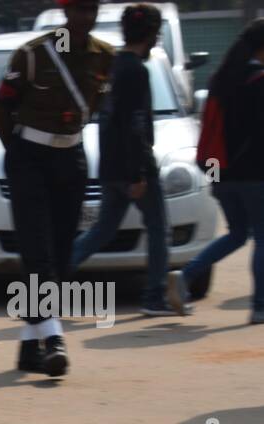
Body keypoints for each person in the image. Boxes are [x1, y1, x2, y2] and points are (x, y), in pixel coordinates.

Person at [0, 0, 113, 378]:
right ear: (66, 12)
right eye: (79, 9)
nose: (85, 16)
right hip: (30, 156)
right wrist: (17, 153)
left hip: (71, 157)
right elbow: (1, 107)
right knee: (37, 250)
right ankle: (54, 339)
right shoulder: (33, 55)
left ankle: (30, 345)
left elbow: (100, 103)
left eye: (91, 9)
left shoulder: (104, 57)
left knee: (60, 254)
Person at [70, 5, 177, 317]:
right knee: (158, 228)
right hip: (134, 167)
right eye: (156, 33)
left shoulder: (113, 65)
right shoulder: (136, 71)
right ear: (150, 34)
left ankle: (50, 277)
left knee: (103, 230)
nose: (156, 39)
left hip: (111, 166)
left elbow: (109, 120)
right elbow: (135, 124)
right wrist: (138, 174)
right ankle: (154, 297)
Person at [168, 18, 264, 324]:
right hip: (255, 175)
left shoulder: (221, 80)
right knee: (261, 238)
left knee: (237, 234)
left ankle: (185, 277)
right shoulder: (259, 82)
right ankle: (260, 307)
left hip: (220, 173)